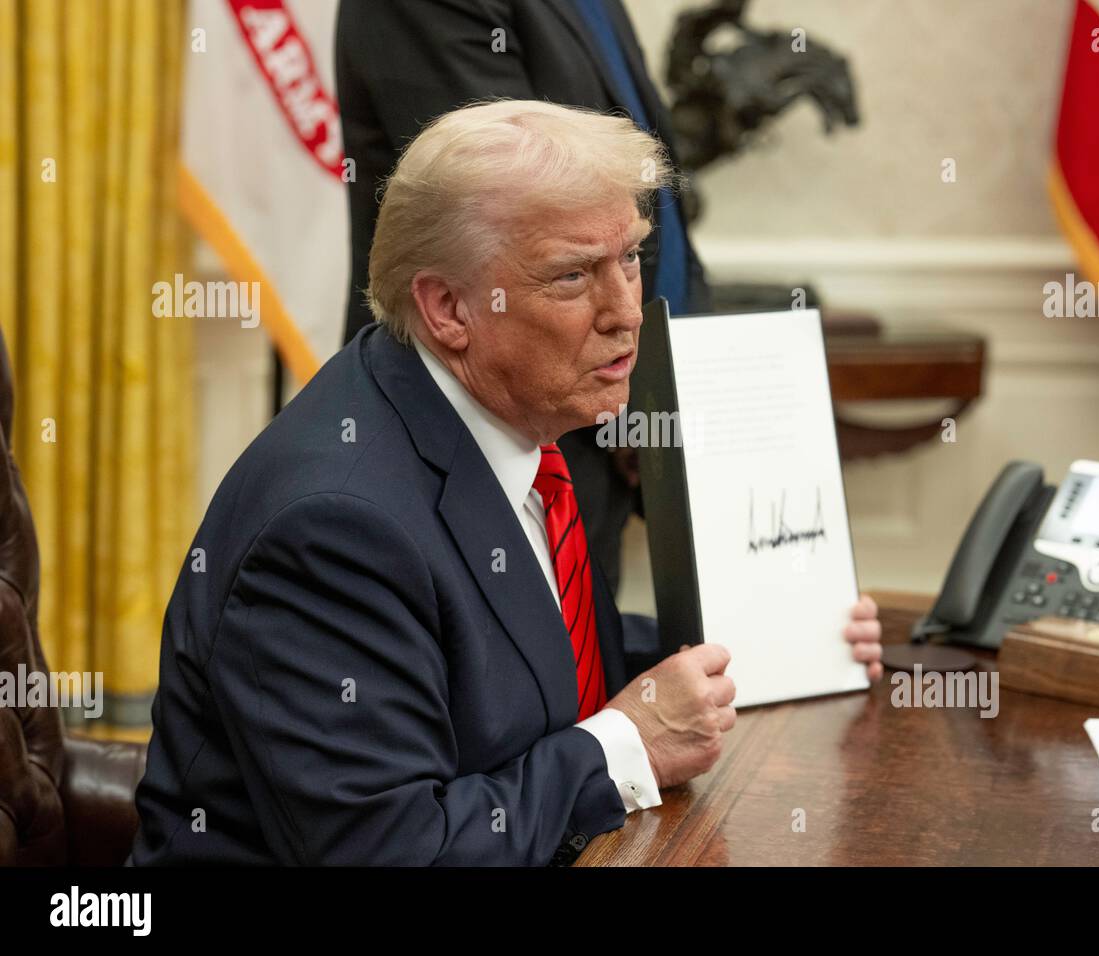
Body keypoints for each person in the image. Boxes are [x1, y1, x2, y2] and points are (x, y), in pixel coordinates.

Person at [129, 101, 883, 866]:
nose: (626, 312)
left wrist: (775, 644)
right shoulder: (334, 527)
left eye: (629, 258)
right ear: (450, 308)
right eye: (572, 275)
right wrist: (624, 748)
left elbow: (530, 659)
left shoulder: (513, 420)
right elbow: (392, 852)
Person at [335, 0, 712, 599]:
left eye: (628, 263)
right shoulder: (347, 521)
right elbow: (508, 217)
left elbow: (646, 197)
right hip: (492, 420)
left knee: (580, 657)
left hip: (600, 413)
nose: (626, 309)